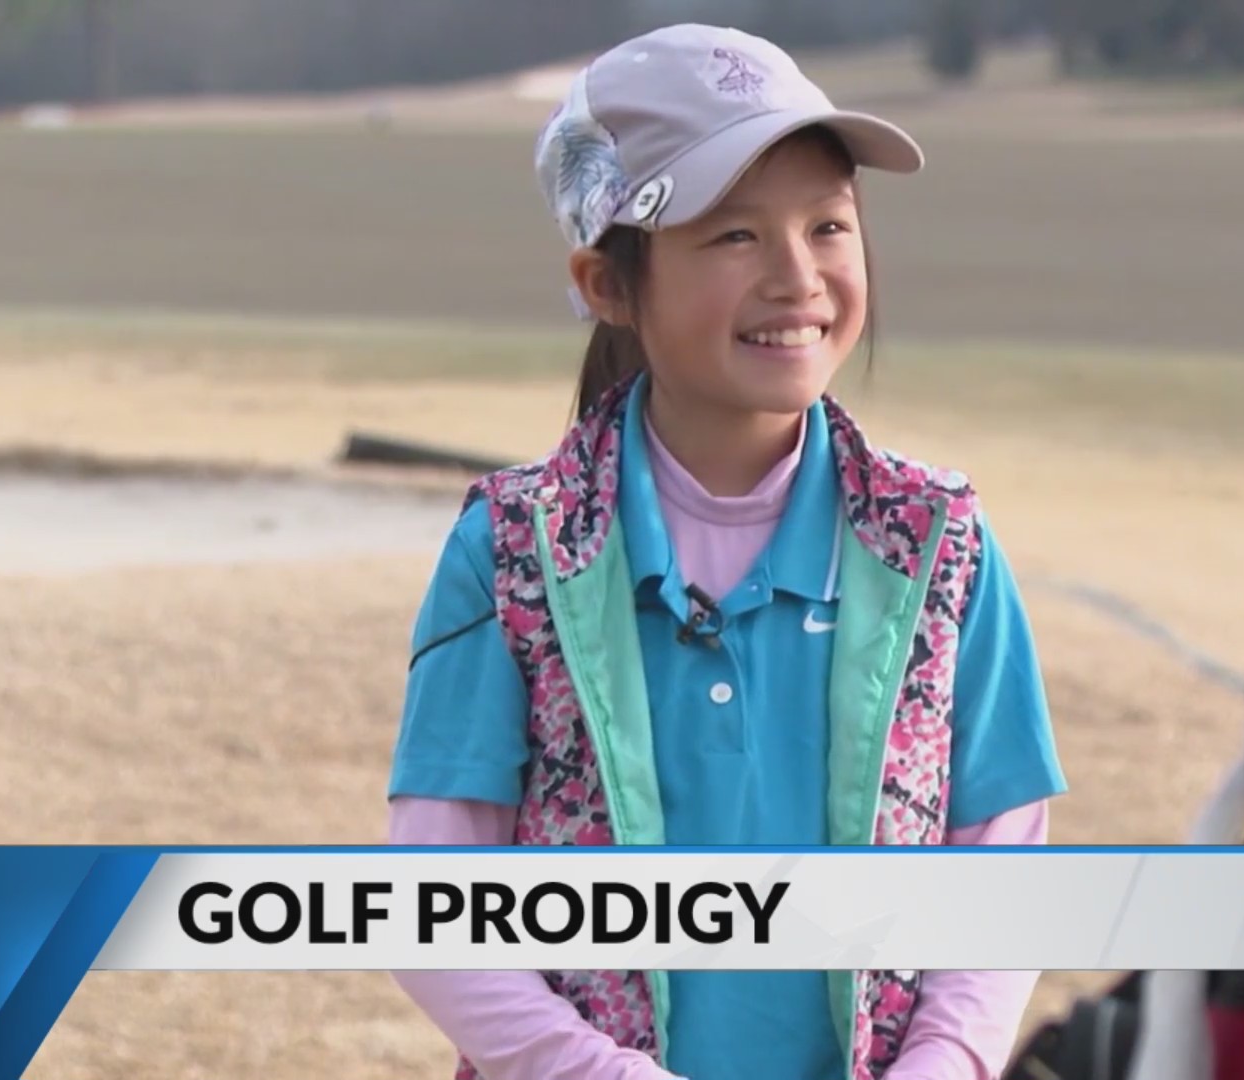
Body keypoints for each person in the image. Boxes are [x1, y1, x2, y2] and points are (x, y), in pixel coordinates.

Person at [385, 23, 1068, 1080]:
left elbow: (1004, 863)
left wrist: (944, 1065)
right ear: (610, 283)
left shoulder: (941, 546)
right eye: (734, 236)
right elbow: (434, 900)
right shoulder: (514, 554)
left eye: (828, 225)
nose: (798, 276)